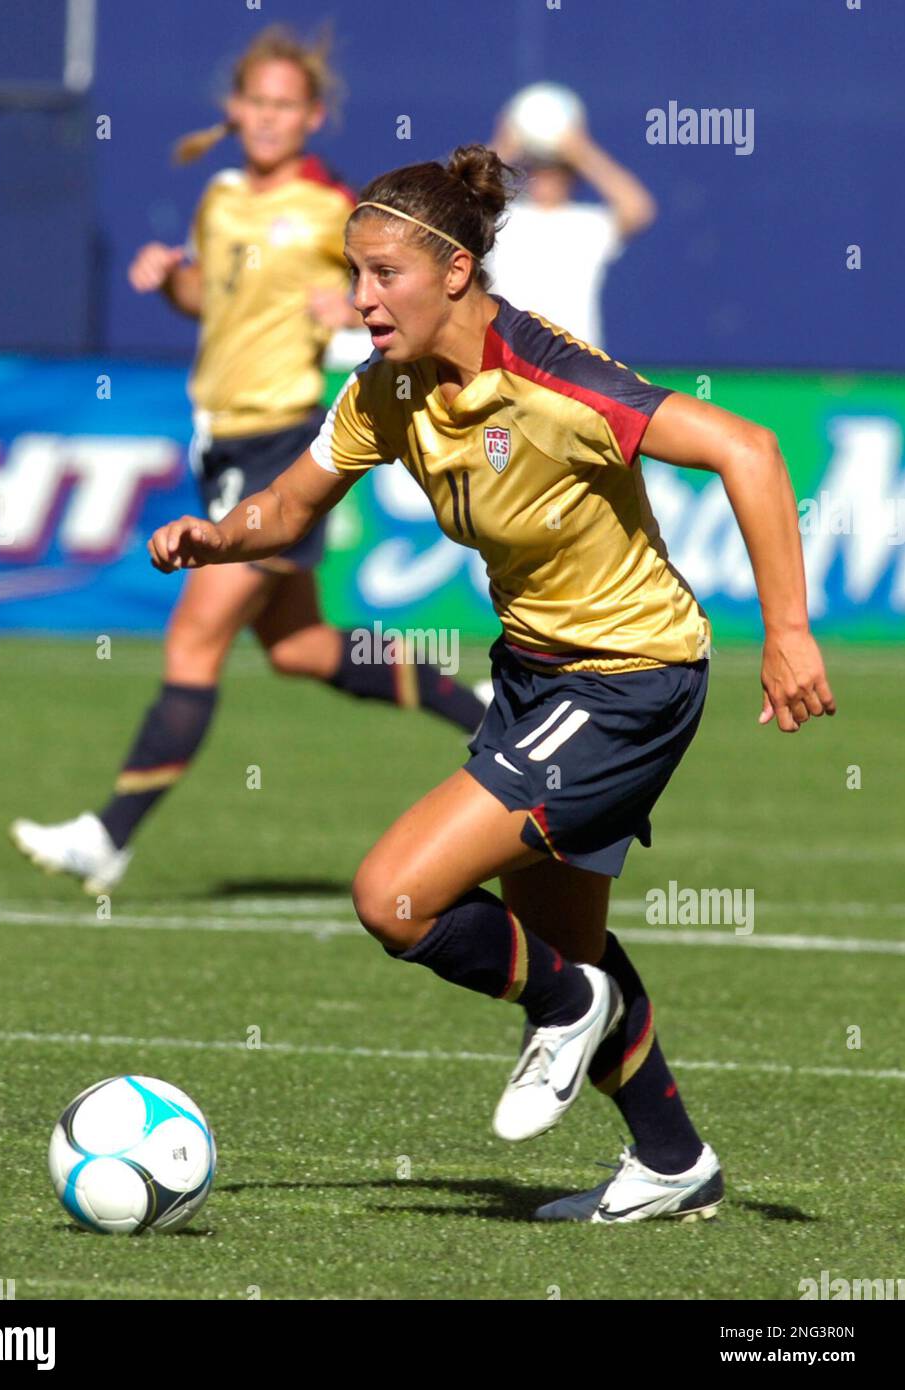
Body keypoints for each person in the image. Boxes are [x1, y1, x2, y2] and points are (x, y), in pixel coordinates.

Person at [146, 144, 836, 1223]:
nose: (361, 297)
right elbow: (286, 507)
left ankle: (566, 1006)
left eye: (385, 275)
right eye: (354, 273)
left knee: (396, 896)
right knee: (560, 939)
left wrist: (784, 632)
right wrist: (216, 535)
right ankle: (670, 1160)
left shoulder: (554, 379)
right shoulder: (389, 389)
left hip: (629, 680)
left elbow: (747, 450)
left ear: (456, 272)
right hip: (534, 678)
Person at [9, 27, 487, 896]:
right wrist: (173, 281)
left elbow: (392, 292)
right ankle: (481, 708)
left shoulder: (328, 208)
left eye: (285, 105)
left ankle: (106, 836)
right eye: (255, 102)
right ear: (235, 109)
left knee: (194, 639)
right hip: (221, 434)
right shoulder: (222, 197)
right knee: (301, 647)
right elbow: (215, 300)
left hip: (282, 439)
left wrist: (349, 312)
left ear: (311, 115)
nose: (268, 118)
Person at [489, 101, 657, 349]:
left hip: (575, 361)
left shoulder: (587, 224)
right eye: (539, 167)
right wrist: (500, 150)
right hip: (507, 359)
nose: (547, 177)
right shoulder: (501, 217)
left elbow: (639, 209)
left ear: (571, 175)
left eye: (557, 169)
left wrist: (581, 151)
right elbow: (448, 207)